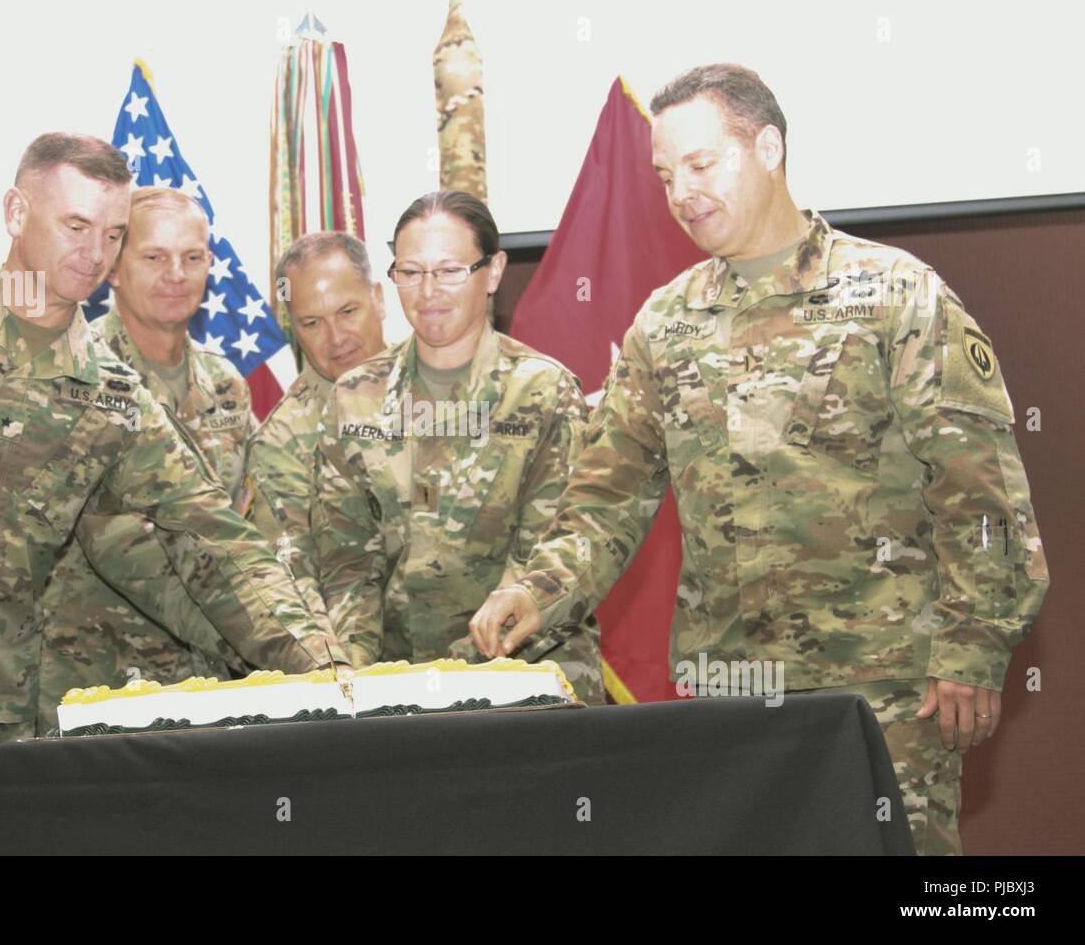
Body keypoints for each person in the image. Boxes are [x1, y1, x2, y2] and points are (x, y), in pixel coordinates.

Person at [469, 64, 1049, 853]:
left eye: (702, 165)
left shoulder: (894, 296)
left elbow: (980, 496)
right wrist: (538, 593)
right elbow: (607, 499)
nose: (682, 193)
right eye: (667, 175)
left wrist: (973, 646)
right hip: (730, 687)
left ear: (768, 146)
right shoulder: (665, 324)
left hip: (881, 687)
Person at [0, 134, 345, 747]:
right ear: (16, 213)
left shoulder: (113, 397)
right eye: (75, 226)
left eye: (112, 234)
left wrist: (324, 669)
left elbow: (213, 535)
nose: (94, 253)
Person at [312, 191, 603, 704]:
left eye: (449, 271)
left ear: (492, 272)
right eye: (411, 271)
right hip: (395, 691)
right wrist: (354, 682)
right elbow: (347, 566)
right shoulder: (355, 398)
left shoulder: (543, 393)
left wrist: (457, 685)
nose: (428, 291)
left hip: (525, 680)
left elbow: (554, 557)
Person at [37, 187, 273, 733]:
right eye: (154, 256)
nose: (176, 274)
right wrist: (263, 642)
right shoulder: (74, 380)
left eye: (193, 258)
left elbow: (252, 525)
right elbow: (122, 544)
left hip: (217, 690)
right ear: (114, 269)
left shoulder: (225, 385)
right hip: (103, 688)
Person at [244, 231, 387, 608]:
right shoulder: (282, 442)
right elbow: (290, 584)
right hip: (356, 654)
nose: (336, 337)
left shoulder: (443, 389)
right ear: (292, 326)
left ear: (379, 298)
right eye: (312, 323)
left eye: (347, 311)